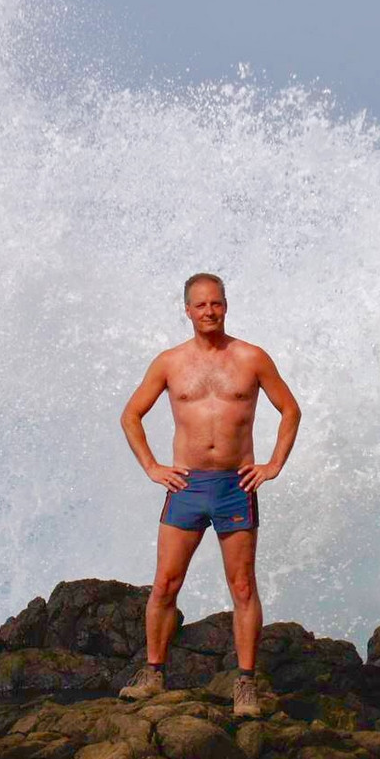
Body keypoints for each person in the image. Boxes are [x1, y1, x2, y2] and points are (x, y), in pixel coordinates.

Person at [117, 272, 301, 717]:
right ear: (187, 310)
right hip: (187, 485)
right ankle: (154, 673)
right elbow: (131, 416)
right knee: (165, 583)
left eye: (216, 304)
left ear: (225, 305)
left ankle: (245, 685)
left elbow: (290, 409)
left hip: (235, 486)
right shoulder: (170, 362)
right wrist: (152, 466)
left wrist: (273, 465)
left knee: (241, 586)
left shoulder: (251, 357)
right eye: (200, 305)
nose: (209, 312)